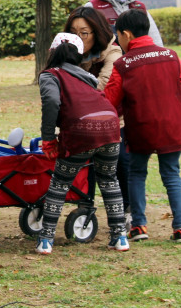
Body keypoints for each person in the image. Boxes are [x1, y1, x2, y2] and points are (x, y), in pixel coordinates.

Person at [104, 9, 181, 244]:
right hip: (171, 126)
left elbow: (111, 99)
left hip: (140, 127)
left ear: (126, 34)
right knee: (172, 174)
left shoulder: (123, 64)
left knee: (137, 173)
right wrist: (180, 116)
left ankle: (139, 225)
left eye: (118, 37)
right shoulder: (171, 55)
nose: (118, 42)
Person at [36, 32, 128, 254]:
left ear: (51, 52)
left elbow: (51, 102)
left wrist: (48, 138)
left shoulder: (50, 75)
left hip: (82, 131)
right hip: (111, 127)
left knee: (60, 183)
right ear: (79, 57)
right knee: (109, 179)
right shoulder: (87, 77)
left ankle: (46, 239)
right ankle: (120, 237)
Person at [63, 6, 130, 217]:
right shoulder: (67, 52)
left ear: (96, 32)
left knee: (119, 165)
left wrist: (72, 90)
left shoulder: (114, 51)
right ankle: (85, 207)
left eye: (84, 33)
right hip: (80, 121)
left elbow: (102, 86)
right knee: (84, 166)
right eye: (73, 33)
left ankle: (128, 210)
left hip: (113, 120)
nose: (78, 38)